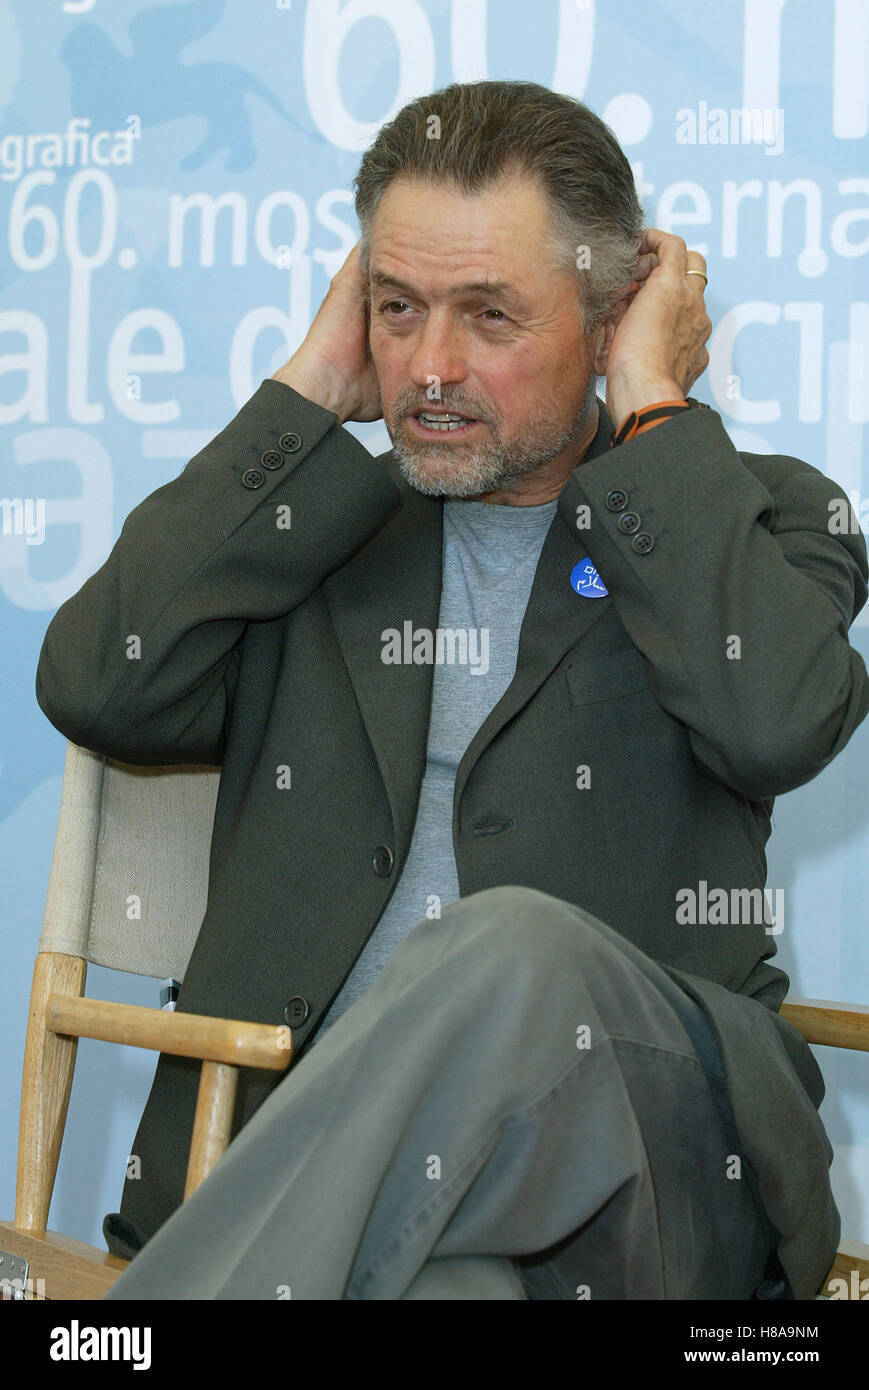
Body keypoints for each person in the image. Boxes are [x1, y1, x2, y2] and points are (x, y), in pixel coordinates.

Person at [36, 80, 868, 1300]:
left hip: (652, 1180)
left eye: (487, 315)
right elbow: (100, 684)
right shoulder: (314, 526)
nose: (428, 367)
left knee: (508, 948)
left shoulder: (755, 515)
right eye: (396, 308)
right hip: (393, 1237)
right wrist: (308, 391)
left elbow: (777, 721)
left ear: (606, 317)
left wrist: (650, 404)